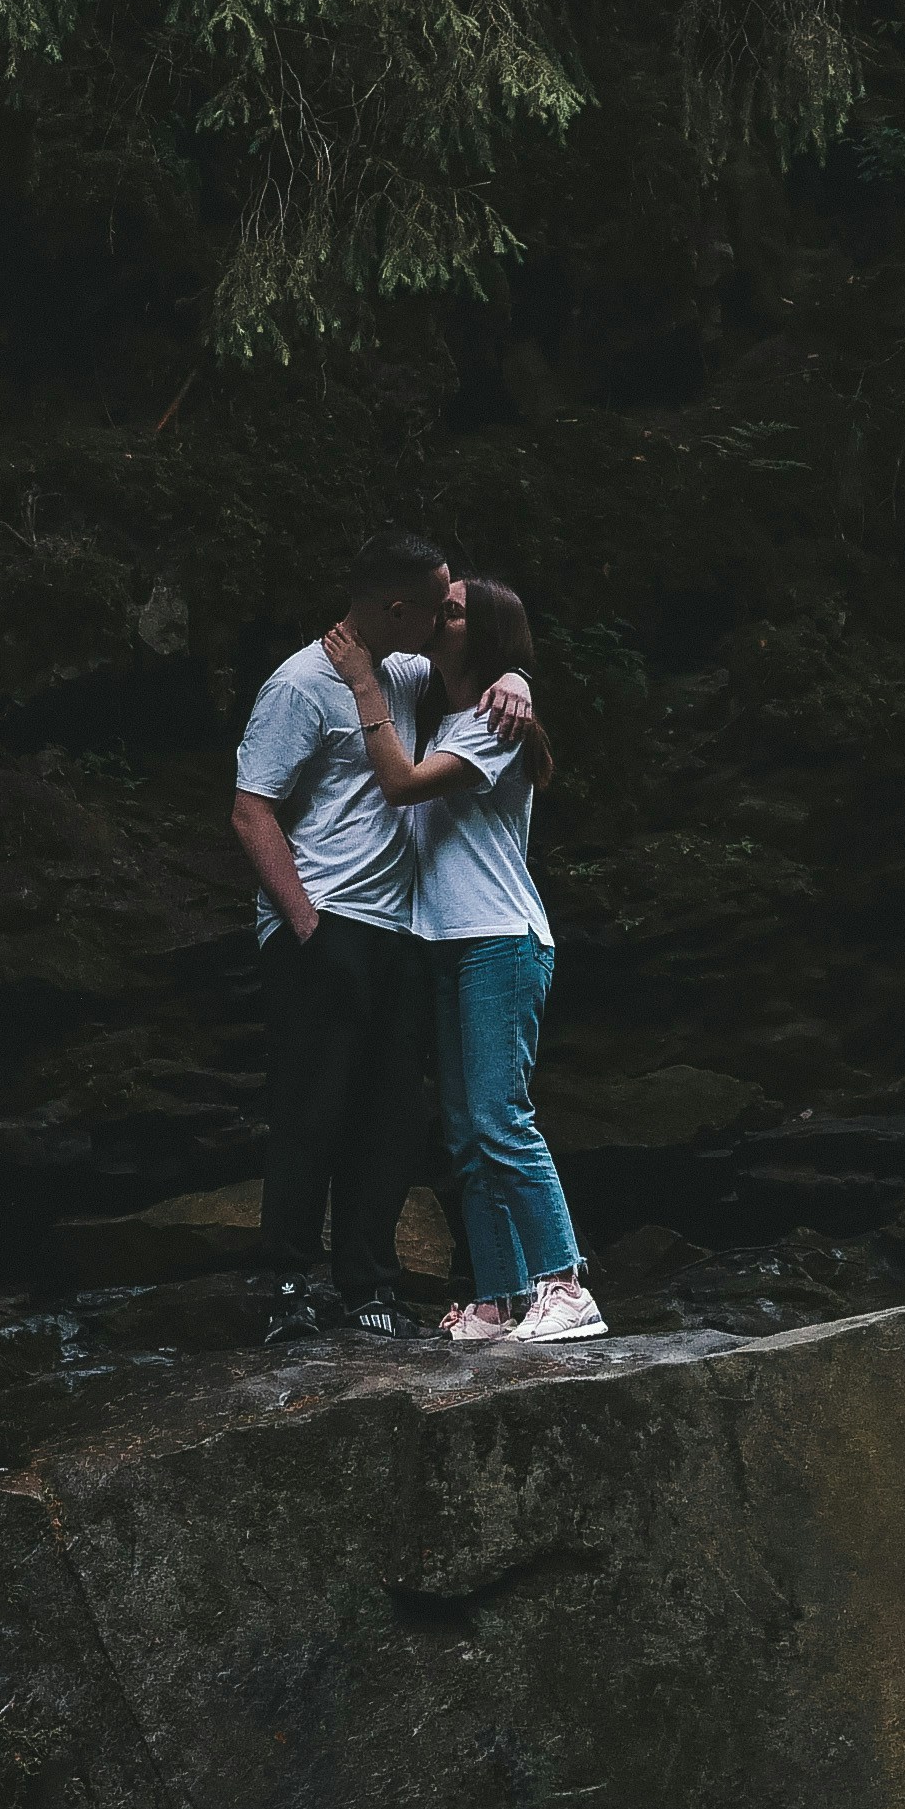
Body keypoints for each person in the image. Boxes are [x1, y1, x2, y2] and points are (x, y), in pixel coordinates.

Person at [229, 533, 531, 1342]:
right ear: (399, 609)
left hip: (401, 929)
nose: (445, 621)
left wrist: (517, 677)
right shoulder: (300, 684)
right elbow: (250, 809)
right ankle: (289, 1284)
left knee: (392, 1117)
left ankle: (371, 1284)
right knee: (311, 1106)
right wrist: (302, 921)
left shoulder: (402, 671)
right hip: (323, 921)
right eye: (439, 606)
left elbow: (481, 663)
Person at [324, 575, 606, 1344]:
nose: (435, 617)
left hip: (499, 939)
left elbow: (402, 783)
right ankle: (498, 1297)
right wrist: (516, 674)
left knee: (499, 1119)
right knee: (463, 1133)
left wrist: (361, 685)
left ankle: (564, 1283)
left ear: (480, 637)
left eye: (452, 612)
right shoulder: (436, 699)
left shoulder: (491, 720)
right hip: (443, 942)